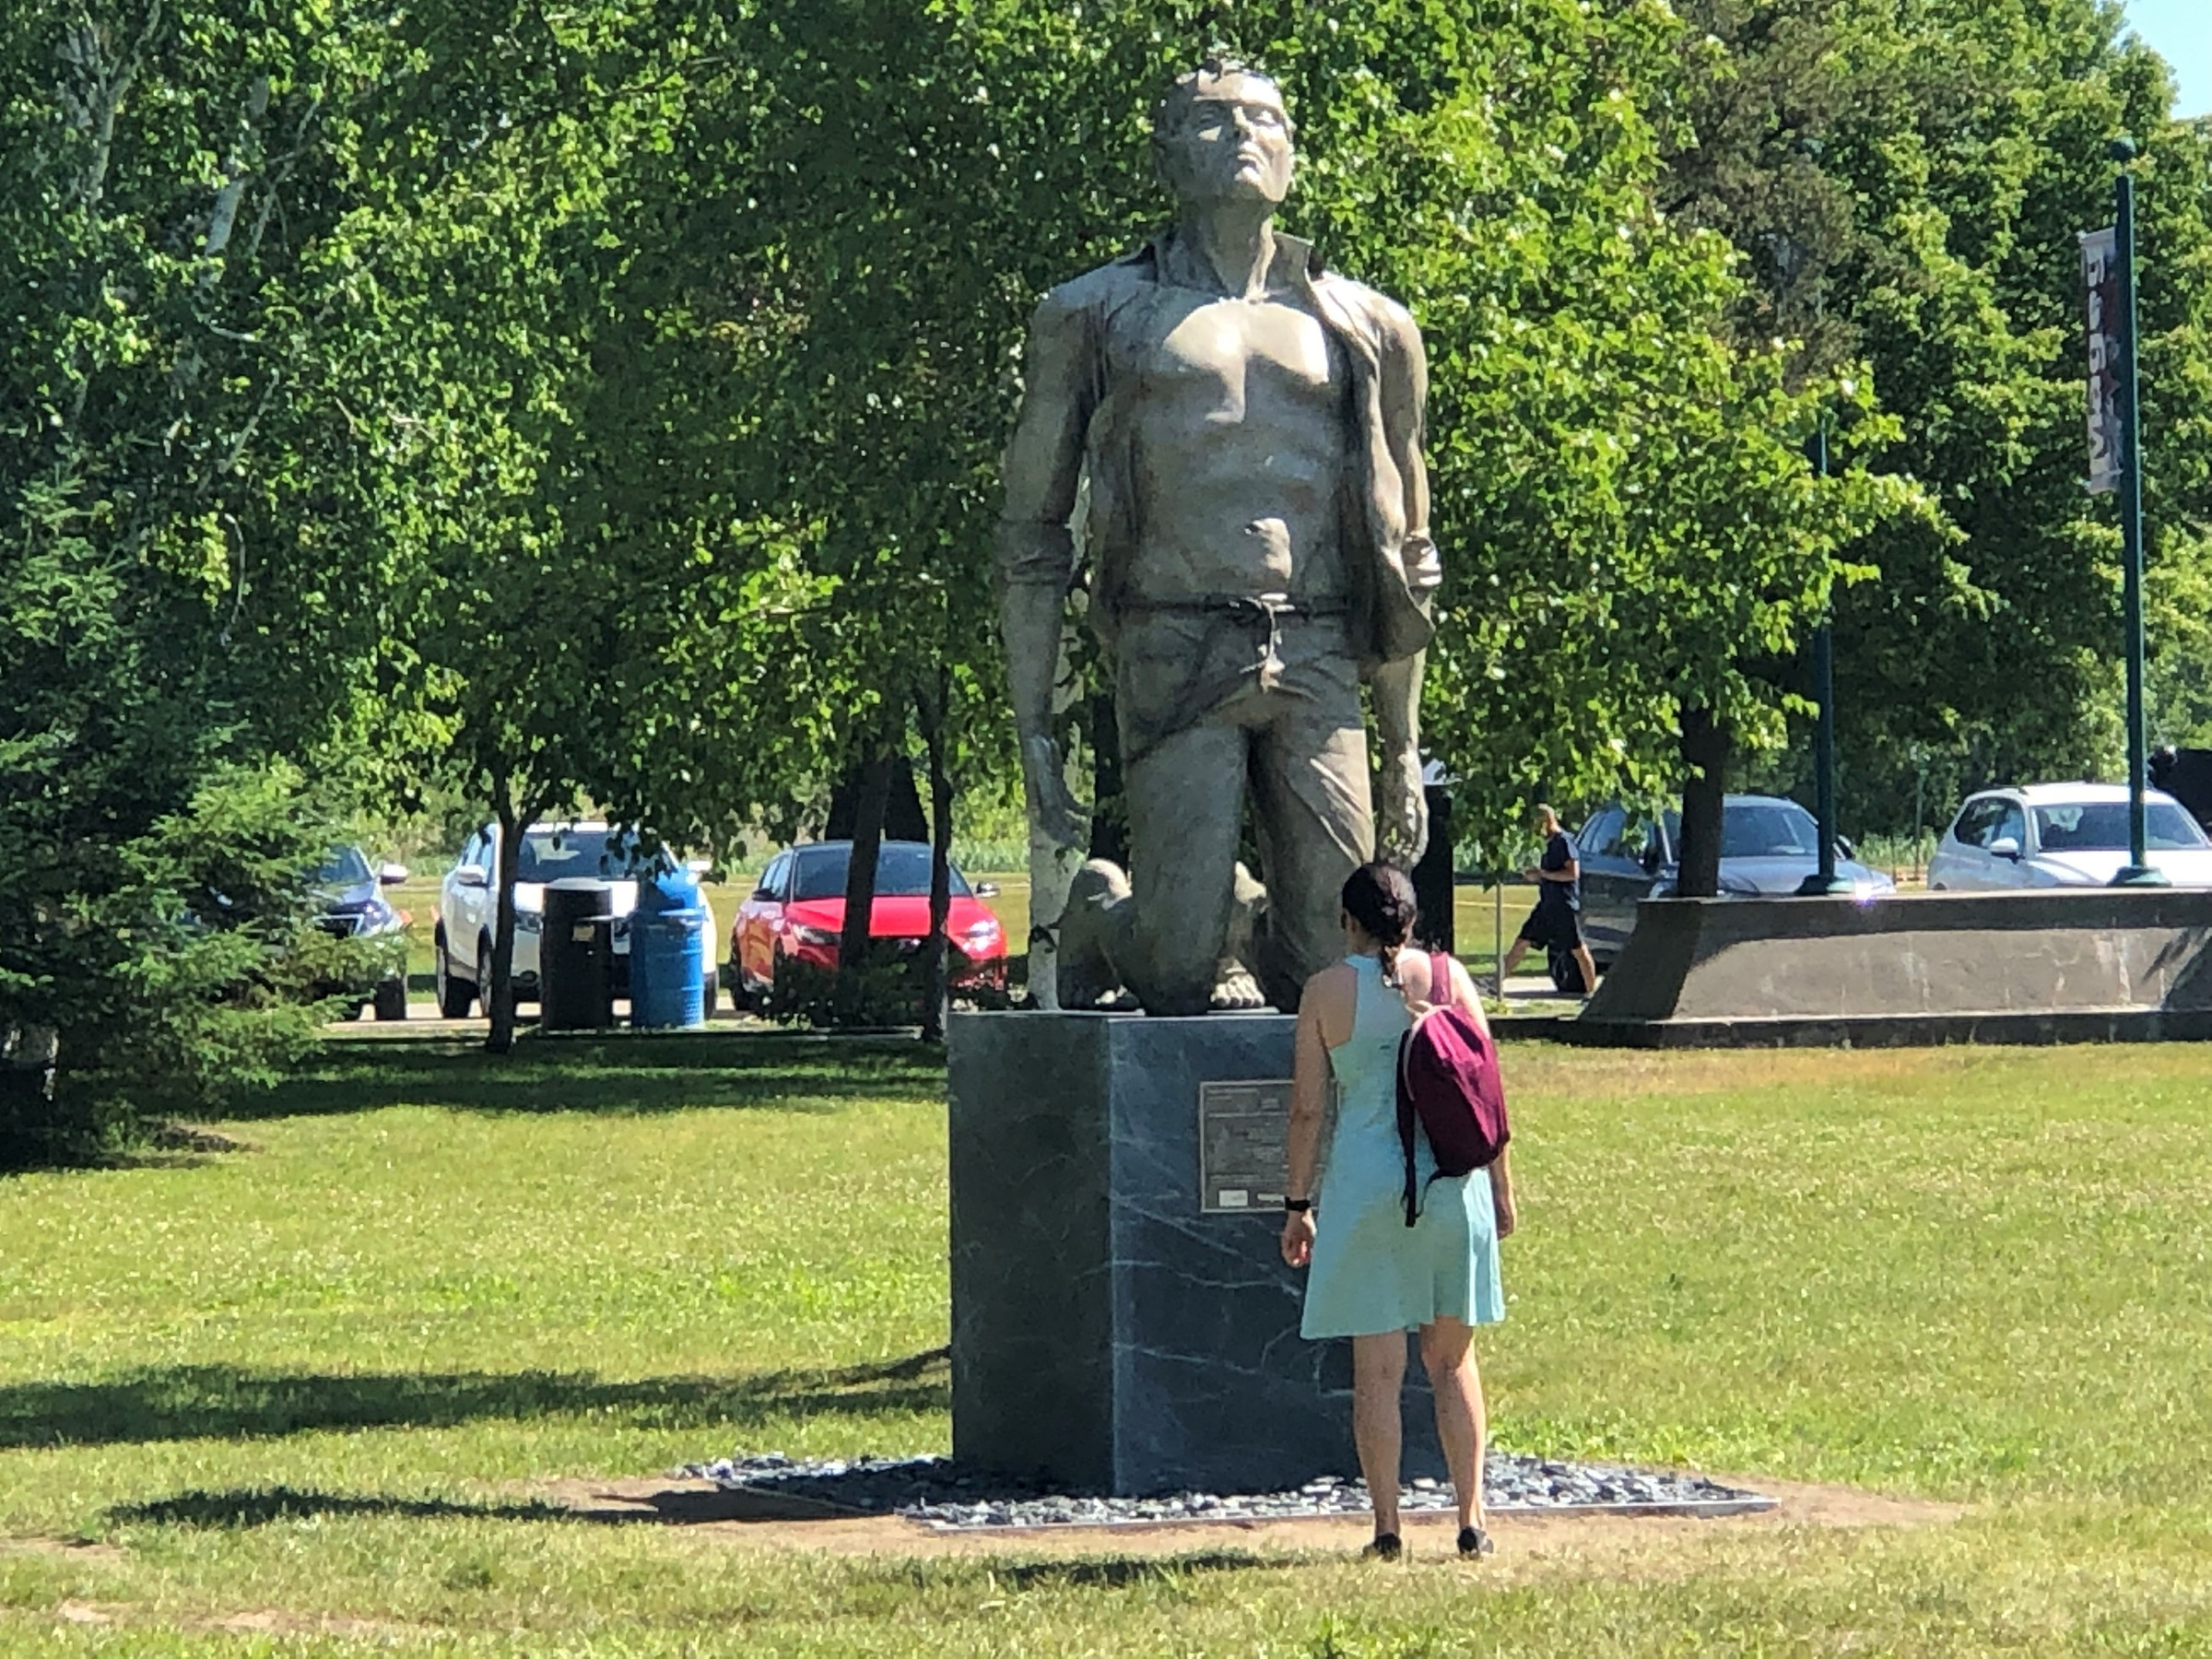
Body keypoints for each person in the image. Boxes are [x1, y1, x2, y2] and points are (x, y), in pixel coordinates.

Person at [997, 55, 1442, 1014]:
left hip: (1318, 650)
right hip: (1173, 642)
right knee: (1172, 972)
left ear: (1293, 152)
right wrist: (1037, 727)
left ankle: (1238, 910)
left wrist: (1403, 739)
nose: (1244, 135)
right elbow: (1031, 536)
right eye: (1212, 122)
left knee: (1339, 962)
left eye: (1265, 119)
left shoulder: (1367, 326)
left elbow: (1409, 551)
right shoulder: (1093, 314)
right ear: (1166, 156)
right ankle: (1100, 908)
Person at [1279, 862, 1516, 1560]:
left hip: (1366, 1186)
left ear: (1348, 921)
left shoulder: (1325, 991)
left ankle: (1387, 1529)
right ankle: (1472, 1520)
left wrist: (1298, 1204)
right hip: (1453, 1180)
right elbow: (1487, 1092)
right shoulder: (1451, 980)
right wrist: (1502, 1189)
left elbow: (1308, 1110)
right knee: (1453, 1362)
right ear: (1412, 919)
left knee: (1377, 1372)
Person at [1498, 805, 1596, 997]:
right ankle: (1497, 983)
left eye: (1537, 822)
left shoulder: (1564, 842)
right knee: (1522, 942)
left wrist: (1544, 874)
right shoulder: (1546, 844)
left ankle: (1592, 992)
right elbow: (1549, 875)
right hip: (1546, 905)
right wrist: (1536, 876)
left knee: (1578, 950)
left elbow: (1572, 873)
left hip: (1564, 906)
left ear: (1546, 821)